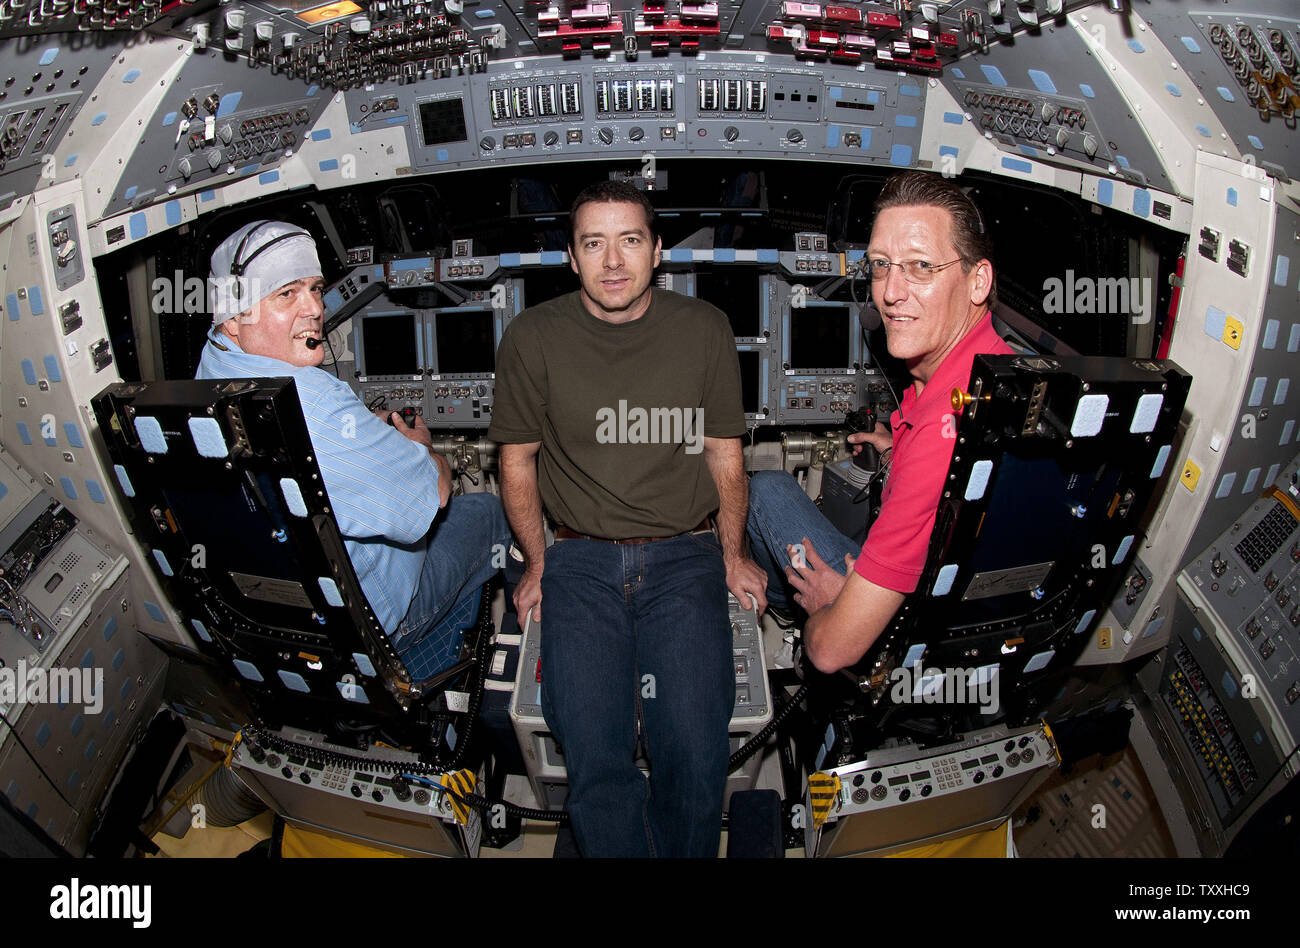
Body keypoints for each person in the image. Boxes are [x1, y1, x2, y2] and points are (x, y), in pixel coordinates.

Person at [489, 181, 768, 857]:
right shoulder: (532, 336)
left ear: (658, 251)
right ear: (572, 257)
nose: (613, 260)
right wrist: (538, 563)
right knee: (593, 751)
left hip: (684, 557)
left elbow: (725, 455)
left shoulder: (704, 329)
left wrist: (731, 554)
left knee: (696, 751)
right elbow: (516, 462)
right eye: (594, 243)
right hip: (579, 561)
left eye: (630, 240)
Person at [197, 220, 508, 680]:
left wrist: (366, 437)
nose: (314, 309)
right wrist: (423, 451)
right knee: (486, 513)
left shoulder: (205, 378)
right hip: (368, 631)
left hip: (269, 625)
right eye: (287, 294)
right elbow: (431, 495)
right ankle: (509, 639)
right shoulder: (311, 399)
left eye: (315, 289)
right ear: (233, 317)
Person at [747, 170, 1014, 674]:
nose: (890, 292)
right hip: (955, 610)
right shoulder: (991, 376)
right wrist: (897, 450)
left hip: (903, 644)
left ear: (978, 280)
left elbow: (831, 653)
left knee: (765, 490)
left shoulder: (940, 440)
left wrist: (835, 602)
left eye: (920, 267)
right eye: (881, 265)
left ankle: (781, 619)